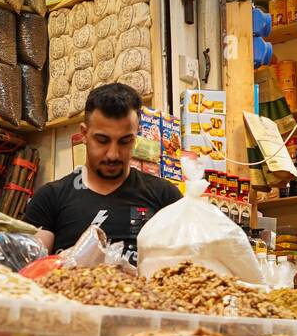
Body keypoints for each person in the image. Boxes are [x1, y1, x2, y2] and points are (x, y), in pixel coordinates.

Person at [23, 82, 181, 265]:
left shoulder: (165, 196)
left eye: (125, 141)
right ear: (84, 133)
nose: (113, 154)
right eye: (102, 140)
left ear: (136, 136)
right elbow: (30, 269)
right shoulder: (50, 198)